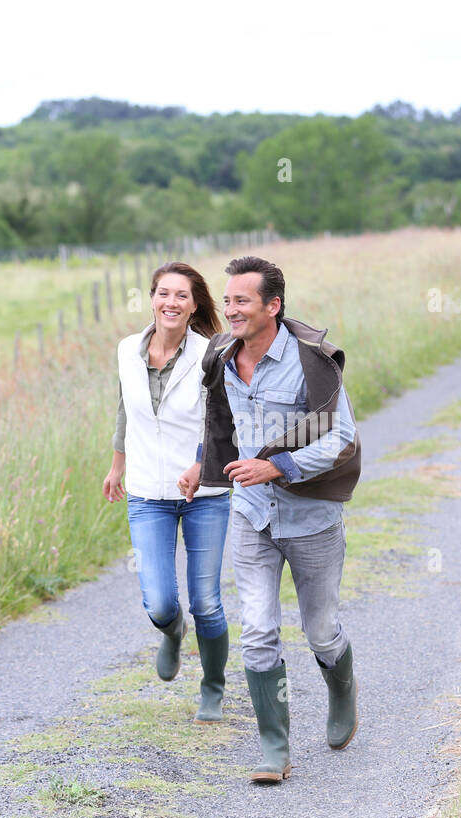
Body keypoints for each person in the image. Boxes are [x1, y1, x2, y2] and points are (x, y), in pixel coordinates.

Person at [178, 255, 361, 783]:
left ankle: (342, 691)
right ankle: (274, 749)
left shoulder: (312, 360)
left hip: (313, 521)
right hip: (251, 518)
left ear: (272, 305)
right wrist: (200, 465)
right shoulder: (221, 356)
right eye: (228, 300)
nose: (230, 310)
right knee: (258, 632)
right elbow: (221, 421)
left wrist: (278, 466)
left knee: (321, 632)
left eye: (242, 301)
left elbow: (341, 438)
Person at [103, 262, 231, 724]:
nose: (171, 302)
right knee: (159, 601)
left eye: (181, 295)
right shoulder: (126, 350)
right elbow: (125, 409)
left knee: (207, 601)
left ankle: (212, 688)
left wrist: (201, 463)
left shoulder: (210, 353)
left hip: (205, 494)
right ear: (152, 298)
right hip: (146, 492)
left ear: (195, 305)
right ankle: (172, 631)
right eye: (163, 293)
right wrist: (117, 465)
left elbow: (220, 419)